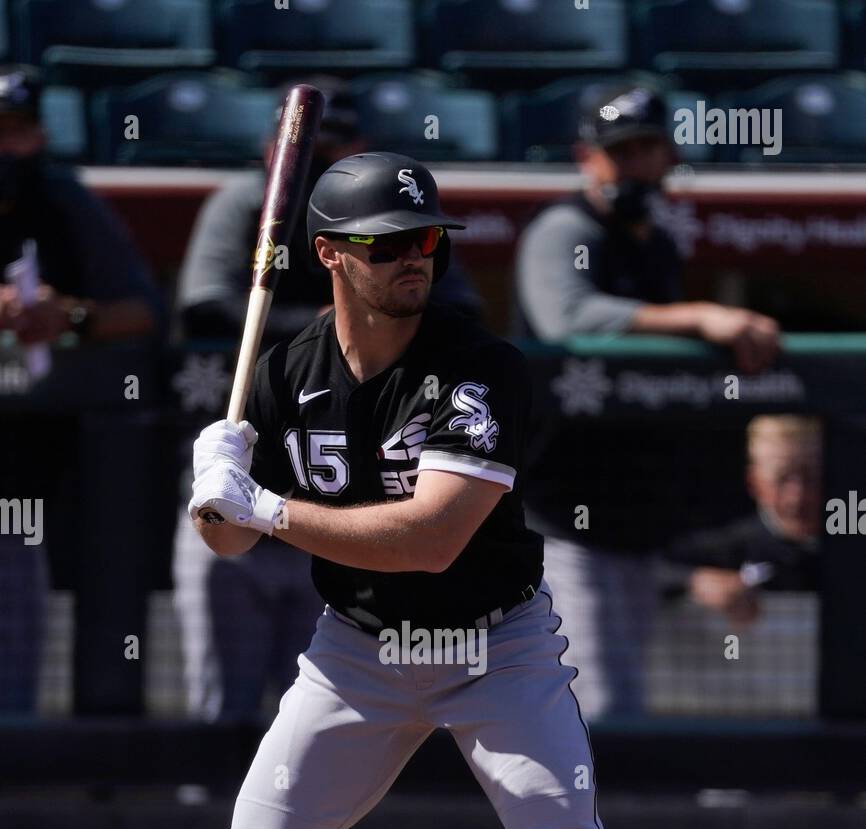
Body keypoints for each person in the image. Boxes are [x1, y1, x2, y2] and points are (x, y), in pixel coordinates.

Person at [123, 153, 785, 829]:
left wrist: (266, 511)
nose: (413, 259)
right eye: (387, 244)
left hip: (494, 650)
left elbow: (430, 539)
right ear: (331, 254)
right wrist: (214, 489)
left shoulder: (479, 369)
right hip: (354, 656)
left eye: (426, 239)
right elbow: (230, 545)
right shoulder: (289, 370)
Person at [172, 82, 482, 720]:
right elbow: (204, 304)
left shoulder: (394, 223)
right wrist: (315, 324)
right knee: (221, 706)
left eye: (336, 145)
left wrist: (353, 320)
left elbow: (462, 307)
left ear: (359, 149)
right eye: (316, 145)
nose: (407, 256)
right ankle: (209, 797)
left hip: (344, 518)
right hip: (256, 451)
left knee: (320, 710)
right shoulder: (251, 204)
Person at [515, 83, 781, 721]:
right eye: (621, 152)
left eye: (647, 150)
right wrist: (703, 316)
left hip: (634, 521)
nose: (635, 164)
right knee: (596, 708)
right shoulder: (564, 228)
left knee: (625, 708)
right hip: (561, 517)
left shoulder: (655, 243)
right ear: (588, 157)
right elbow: (567, 319)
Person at [0, 65, 161, 714]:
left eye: (15, 132)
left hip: (19, 479)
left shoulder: (63, 200)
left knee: (12, 660)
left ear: (39, 135)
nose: (4, 147)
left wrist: (67, 316)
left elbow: (143, 312)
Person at [664, 415, 821, 624]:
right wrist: (694, 580)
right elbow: (650, 569)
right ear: (754, 481)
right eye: (781, 478)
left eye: (811, 476)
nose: (797, 496)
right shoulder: (725, 547)